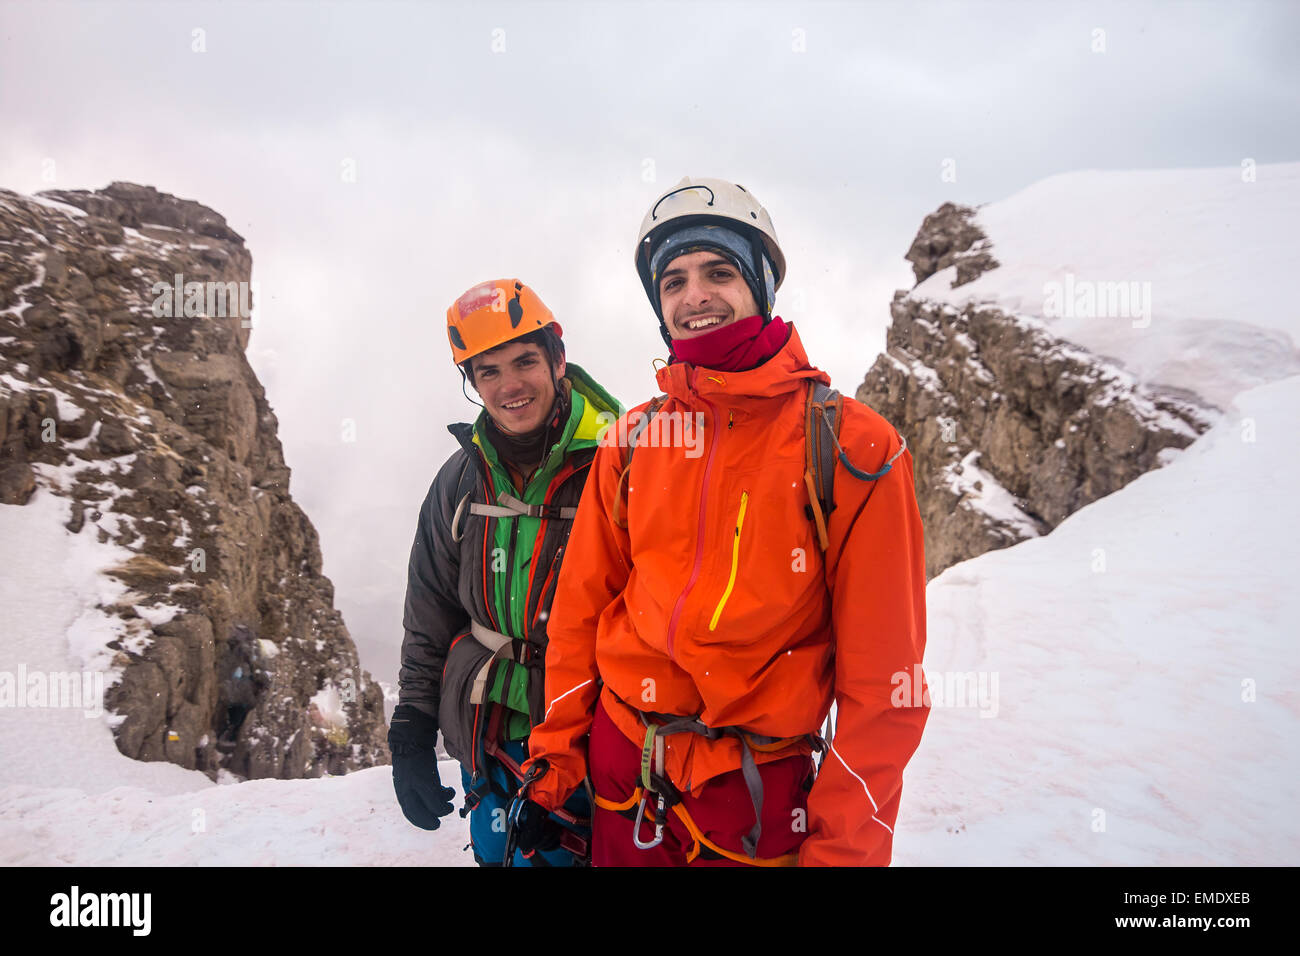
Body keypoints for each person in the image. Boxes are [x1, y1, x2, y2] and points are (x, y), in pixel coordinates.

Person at [516, 178, 931, 866]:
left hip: (750, 796)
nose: (693, 296)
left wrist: (843, 850)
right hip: (625, 775)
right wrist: (555, 762)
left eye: (718, 272)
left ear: (761, 286)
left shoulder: (854, 449)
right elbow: (579, 616)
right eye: (672, 281)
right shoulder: (632, 441)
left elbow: (885, 684)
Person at [388, 278, 622, 866]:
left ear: (558, 360)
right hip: (488, 723)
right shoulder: (461, 480)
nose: (509, 385)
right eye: (487, 372)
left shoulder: (617, 465)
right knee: (499, 855)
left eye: (524, 361)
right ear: (473, 384)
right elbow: (431, 609)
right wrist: (412, 724)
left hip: (590, 725)